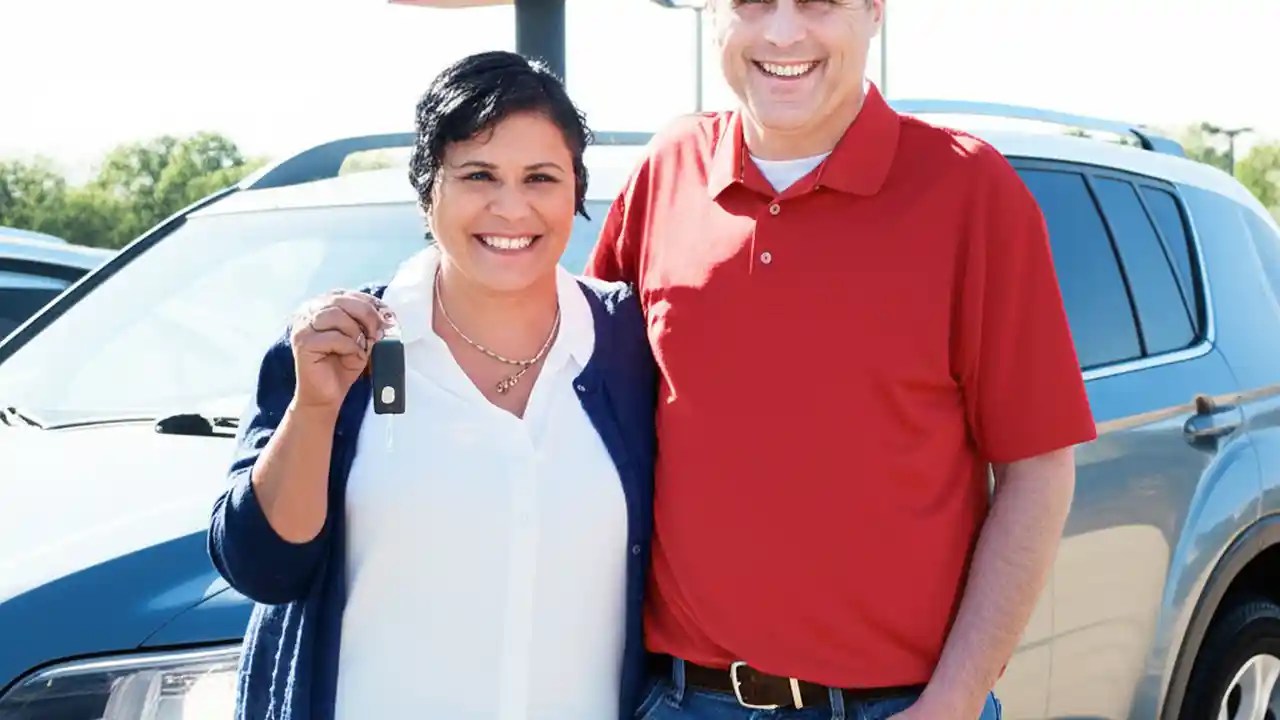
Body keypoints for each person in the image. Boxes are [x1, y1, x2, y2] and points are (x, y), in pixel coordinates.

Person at [586, 1, 1097, 719]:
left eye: (819, 2)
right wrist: (390, 325)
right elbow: (562, 381)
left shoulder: (970, 191)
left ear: (874, 13)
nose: (784, 32)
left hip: (899, 707)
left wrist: (953, 701)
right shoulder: (667, 171)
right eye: (752, 3)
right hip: (681, 699)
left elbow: (1039, 469)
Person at [207, 50, 657, 720]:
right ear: (428, 189)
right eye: (478, 175)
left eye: (540, 177)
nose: (511, 207)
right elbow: (262, 568)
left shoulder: (628, 345)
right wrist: (316, 409)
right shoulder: (340, 346)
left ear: (575, 192)